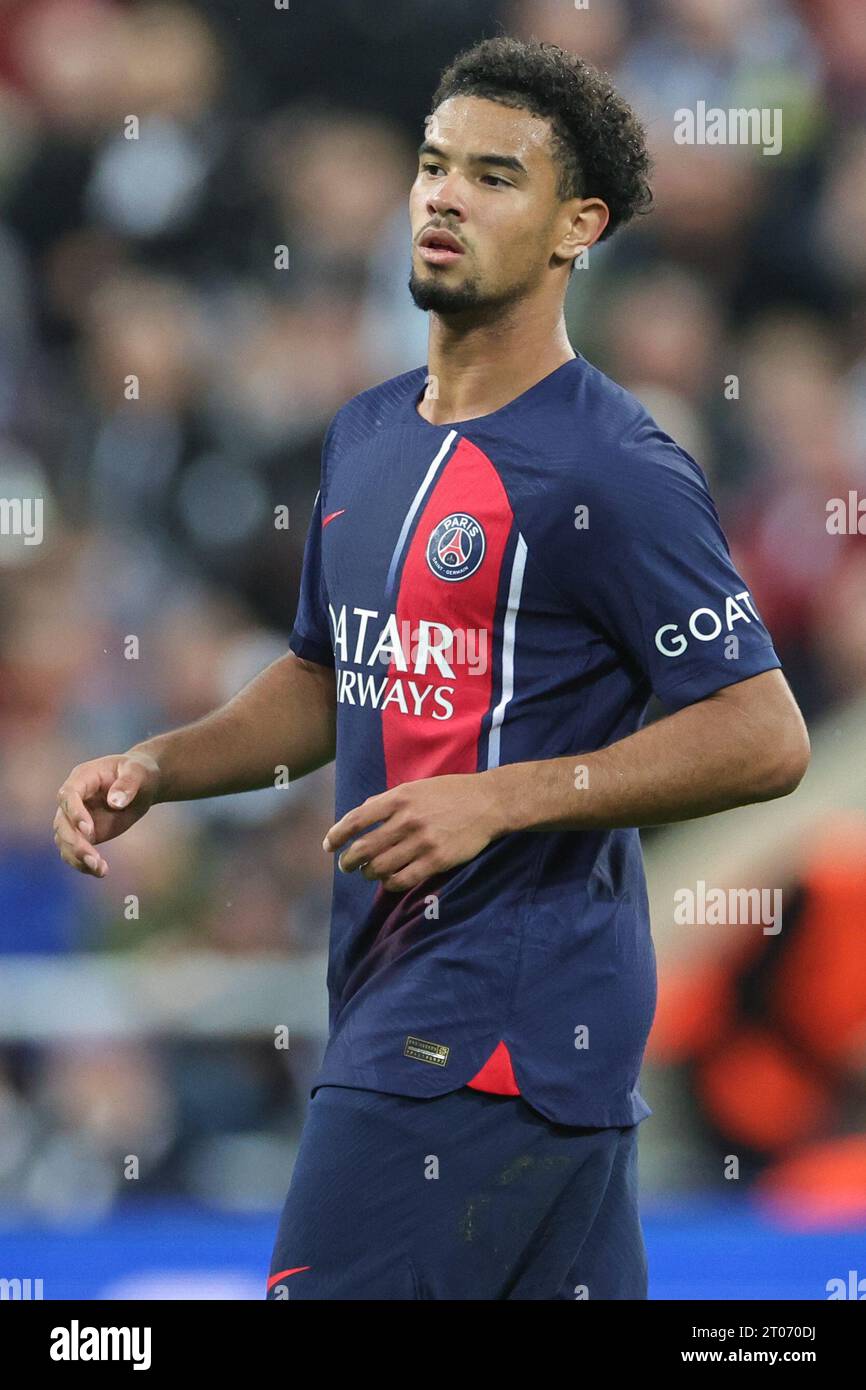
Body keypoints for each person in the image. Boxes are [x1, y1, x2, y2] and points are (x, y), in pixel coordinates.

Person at [53, 37, 810, 1300]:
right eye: (430, 165)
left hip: (472, 1026)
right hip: (471, 1032)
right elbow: (321, 677)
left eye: (493, 177)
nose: (443, 197)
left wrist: (499, 796)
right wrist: (160, 765)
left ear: (579, 226)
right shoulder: (364, 433)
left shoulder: (610, 465)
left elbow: (762, 731)